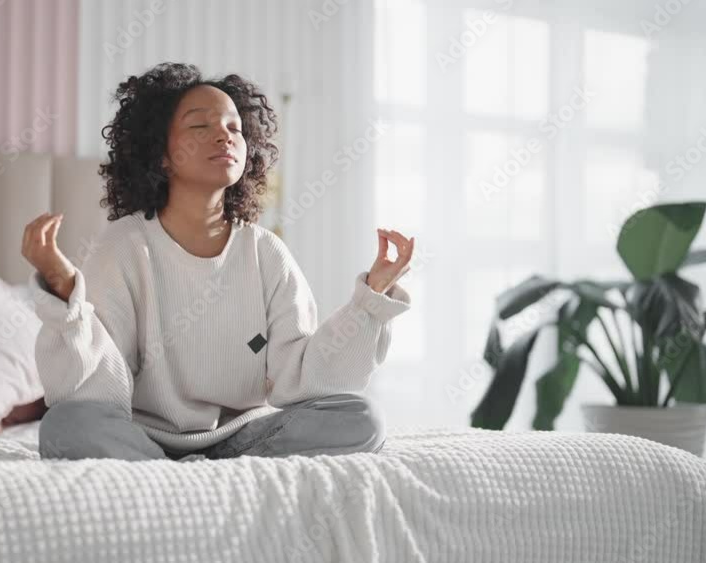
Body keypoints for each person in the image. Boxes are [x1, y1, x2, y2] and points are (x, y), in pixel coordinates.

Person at [21, 62, 415, 462]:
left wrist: (373, 297)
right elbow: (103, 390)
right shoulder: (122, 246)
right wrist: (65, 291)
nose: (224, 137)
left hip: (245, 440)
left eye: (234, 128)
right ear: (160, 156)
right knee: (66, 424)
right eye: (199, 126)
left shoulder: (266, 252)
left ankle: (180, 480)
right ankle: (177, 475)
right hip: (142, 439)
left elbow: (299, 377)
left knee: (362, 418)